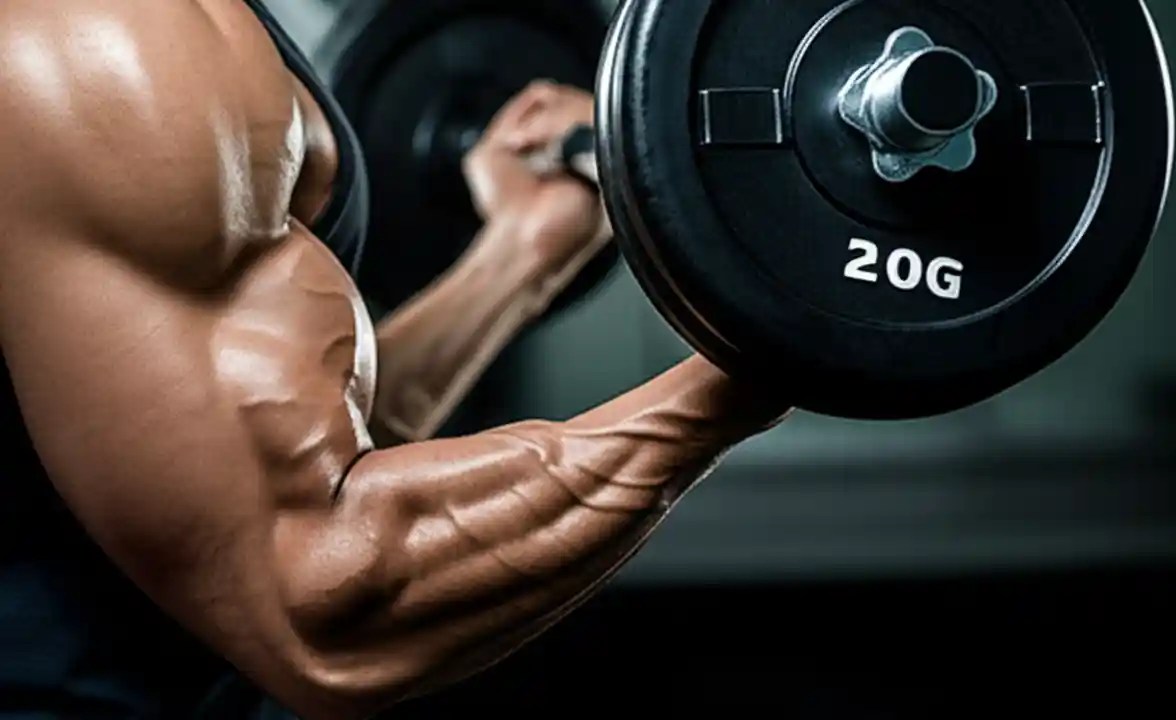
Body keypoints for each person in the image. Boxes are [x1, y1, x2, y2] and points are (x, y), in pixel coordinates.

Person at [0, 1, 790, 718]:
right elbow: (316, 607)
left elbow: (254, 450)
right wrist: (770, 351)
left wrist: (520, 255)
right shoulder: (99, 39)